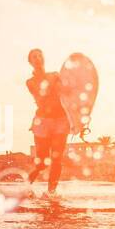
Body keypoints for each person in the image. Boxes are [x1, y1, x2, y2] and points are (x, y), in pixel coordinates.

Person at [25, 48, 69, 194]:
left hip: (61, 120)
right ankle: (26, 185)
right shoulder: (30, 82)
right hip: (42, 121)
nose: (37, 58)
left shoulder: (55, 75)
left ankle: (51, 193)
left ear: (43, 58)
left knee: (56, 159)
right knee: (42, 162)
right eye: (34, 57)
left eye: (39, 56)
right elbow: (42, 94)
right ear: (30, 62)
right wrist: (57, 82)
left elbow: (67, 94)